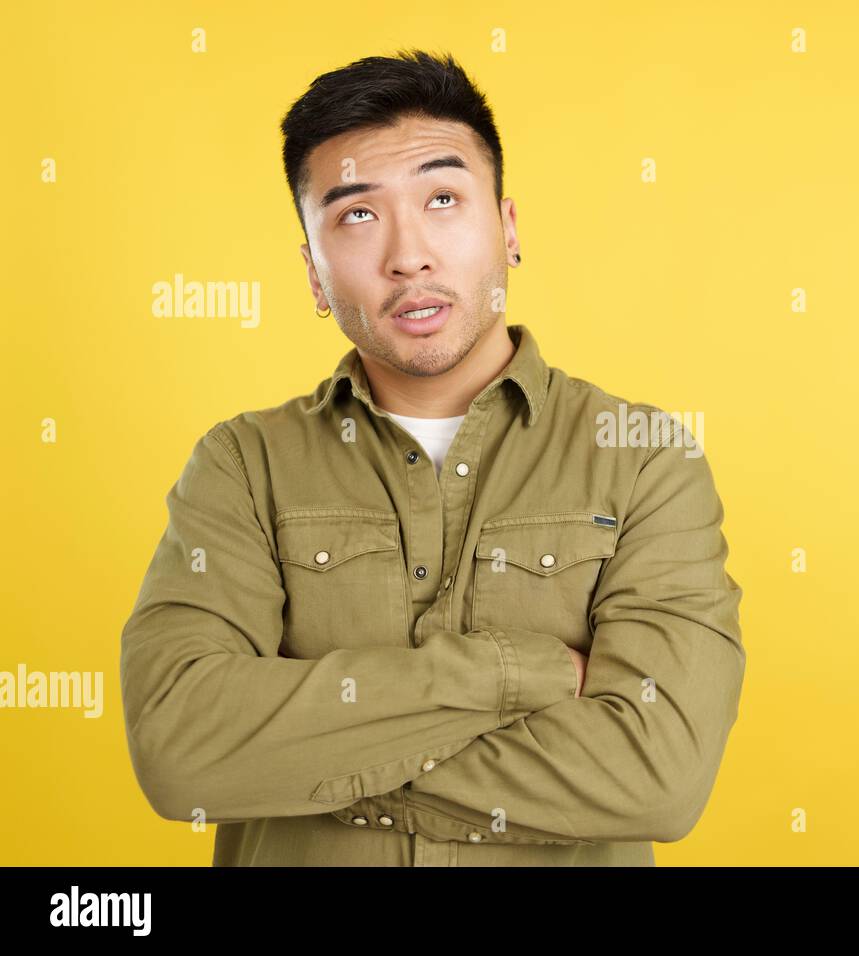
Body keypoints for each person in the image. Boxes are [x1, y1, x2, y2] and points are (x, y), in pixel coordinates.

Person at [119, 49, 745, 867]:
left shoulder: (643, 461)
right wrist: (518, 676)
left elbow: (658, 776)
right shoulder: (242, 465)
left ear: (508, 230)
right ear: (313, 273)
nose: (407, 255)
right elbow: (182, 751)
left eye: (442, 199)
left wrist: (308, 760)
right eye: (357, 216)